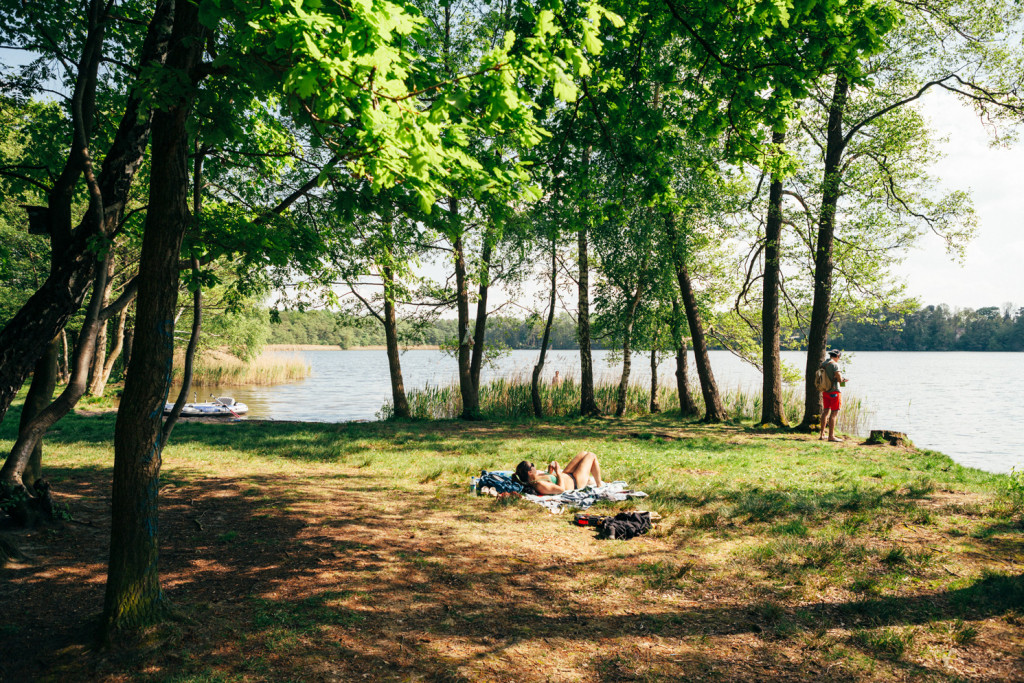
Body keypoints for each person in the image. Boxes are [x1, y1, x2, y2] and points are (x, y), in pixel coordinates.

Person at [512, 451, 604, 495]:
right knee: (591, 455)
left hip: (567, 475)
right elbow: (561, 489)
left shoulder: (535, 477)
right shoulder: (540, 484)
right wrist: (558, 472)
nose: (534, 465)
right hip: (575, 482)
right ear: (529, 472)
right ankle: (599, 485)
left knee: (584, 453)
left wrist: (549, 472)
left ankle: (588, 479)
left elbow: (551, 481)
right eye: (532, 465)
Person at [819, 349, 845, 442]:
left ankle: (822, 434)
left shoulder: (824, 364)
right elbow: (839, 379)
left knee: (825, 412)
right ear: (837, 356)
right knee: (834, 413)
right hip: (834, 392)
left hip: (825, 391)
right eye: (839, 357)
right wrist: (843, 380)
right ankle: (831, 436)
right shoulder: (835, 364)